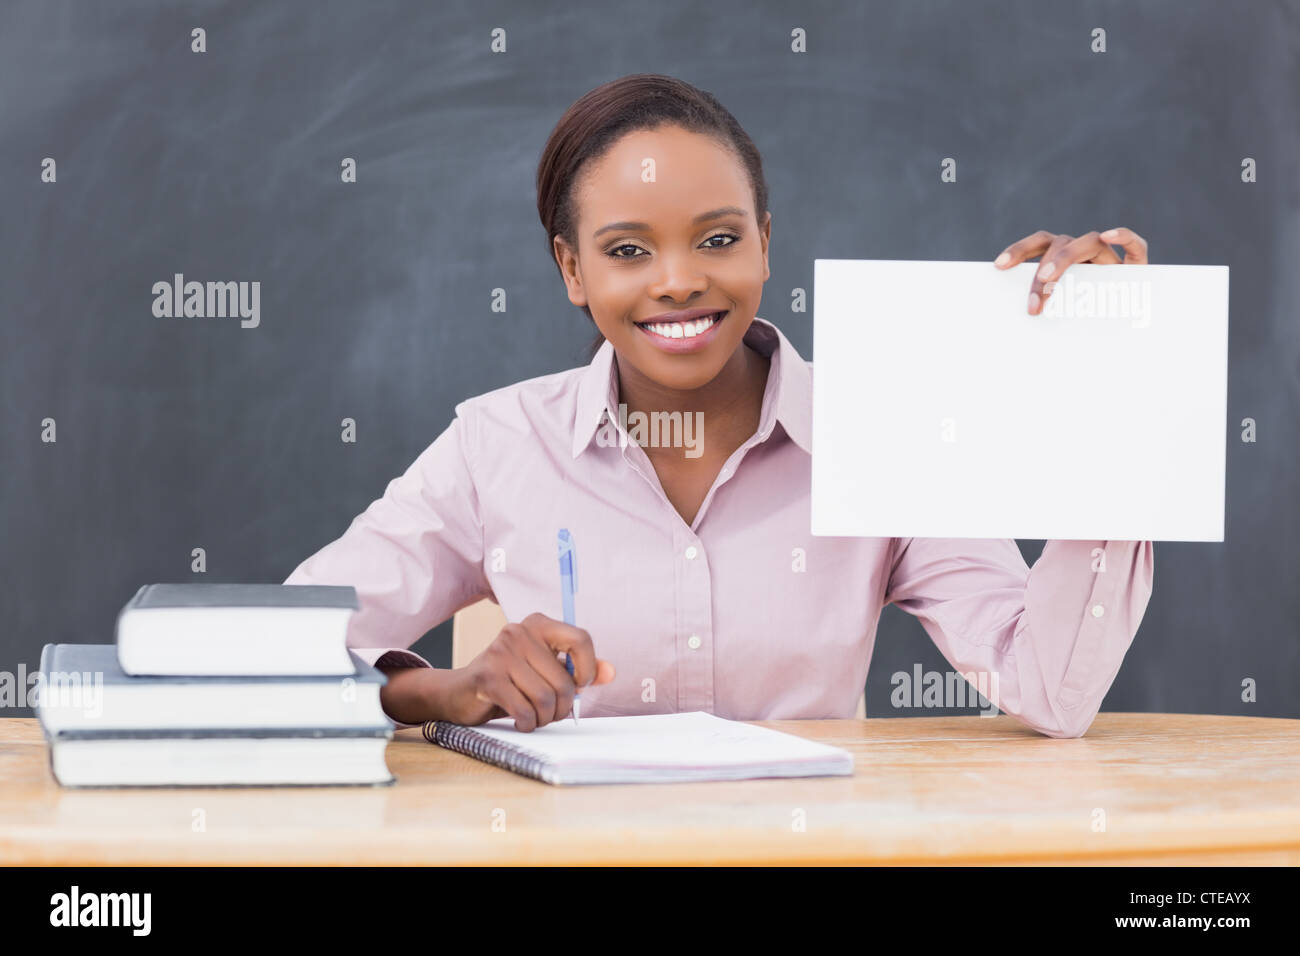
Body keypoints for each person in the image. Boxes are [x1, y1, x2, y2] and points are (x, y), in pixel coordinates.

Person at [285, 73, 1154, 737]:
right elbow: (282, 653)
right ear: (572, 272)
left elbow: (1046, 688)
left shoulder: (880, 433)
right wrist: (441, 689)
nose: (680, 281)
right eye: (628, 249)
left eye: (718, 239)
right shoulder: (499, 446)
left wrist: (1100, 396)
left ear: (765, 244)